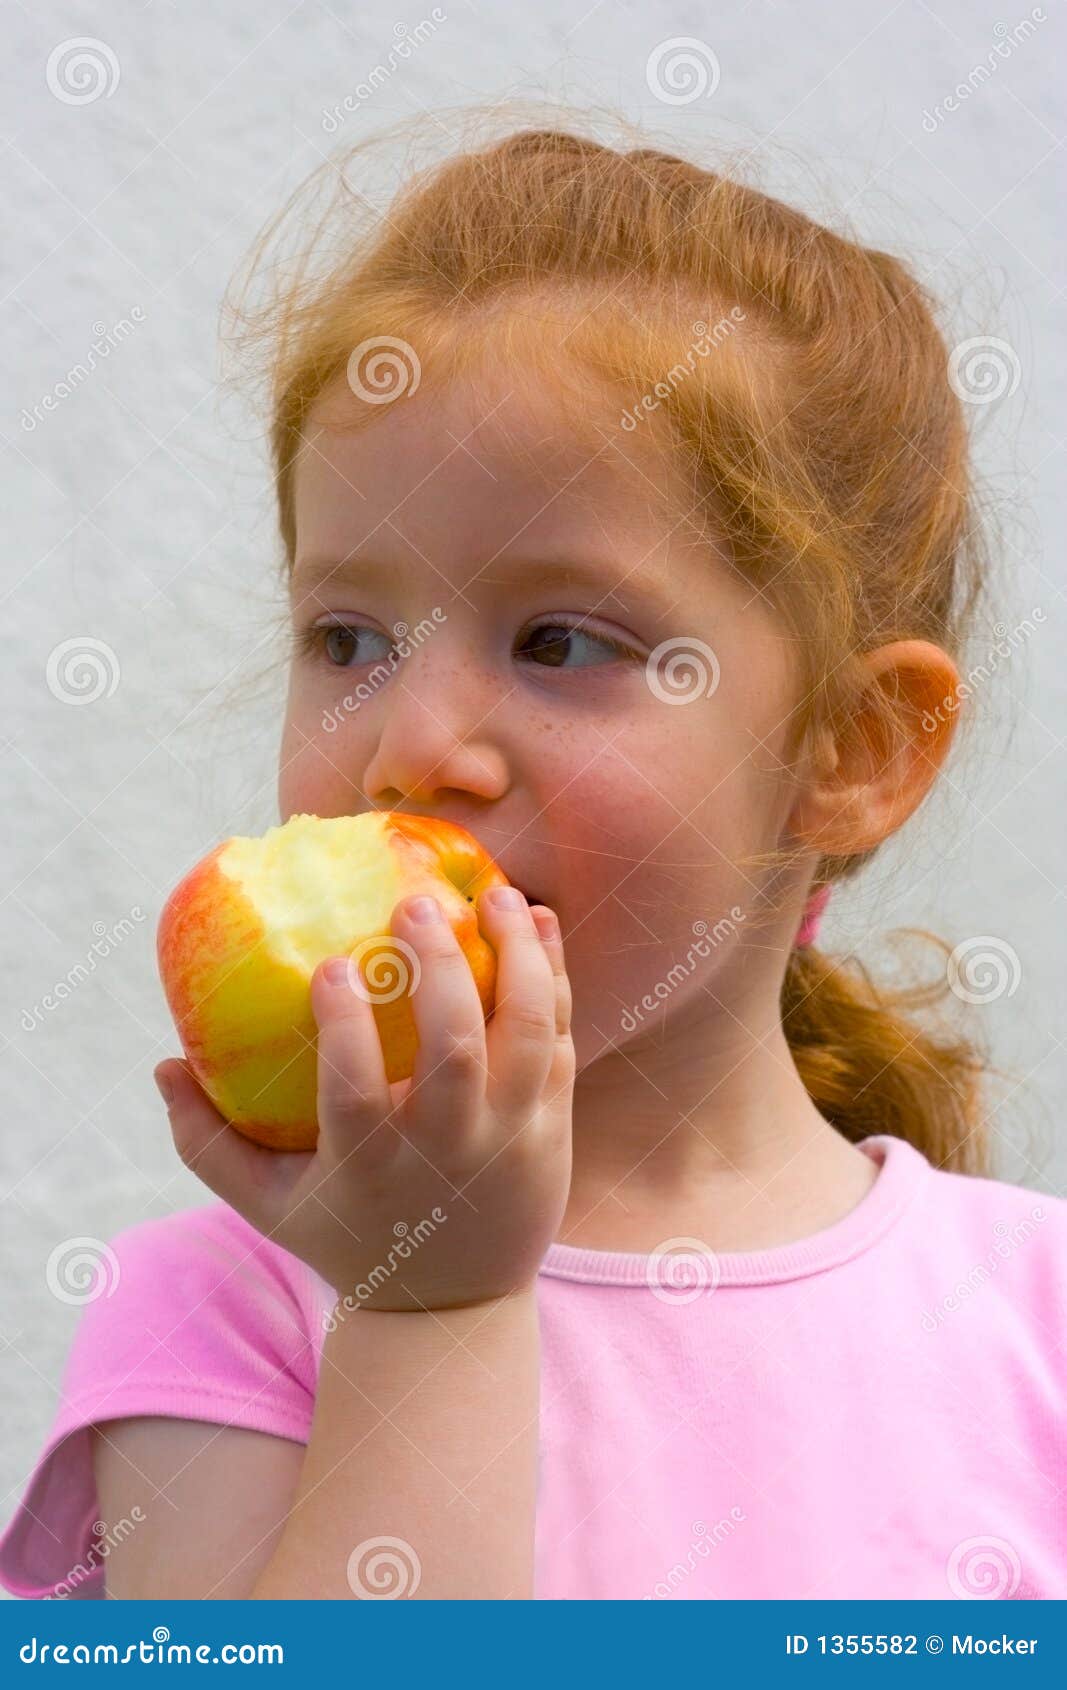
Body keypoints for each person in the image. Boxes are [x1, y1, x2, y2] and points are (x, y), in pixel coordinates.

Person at [2, 121, 1063, 1602]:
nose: (409, 747)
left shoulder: (1038, 1324)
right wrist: (427, 1307)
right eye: (349, 641)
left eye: (564, 641)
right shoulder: (224, 1306)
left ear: (849, 743)